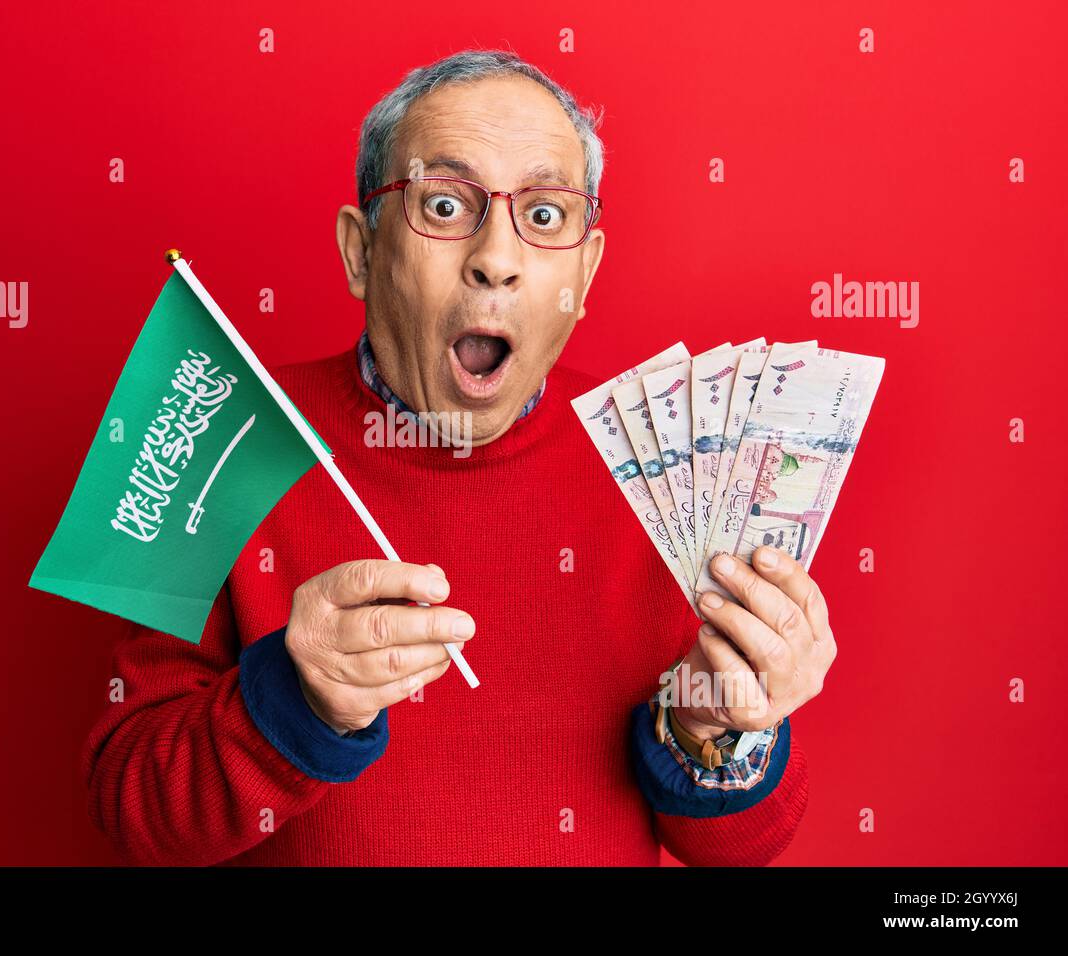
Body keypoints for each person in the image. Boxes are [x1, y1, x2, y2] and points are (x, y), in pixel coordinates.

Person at [81, 49, 834, 866]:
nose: (496, 259)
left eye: (544, 217)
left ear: (584, 273)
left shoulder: (671, 460)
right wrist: (296, 703)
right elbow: (134, 811)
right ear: (360, 254)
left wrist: (709, 723)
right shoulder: (214, 432)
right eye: (444, 204)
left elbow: (738, 849)